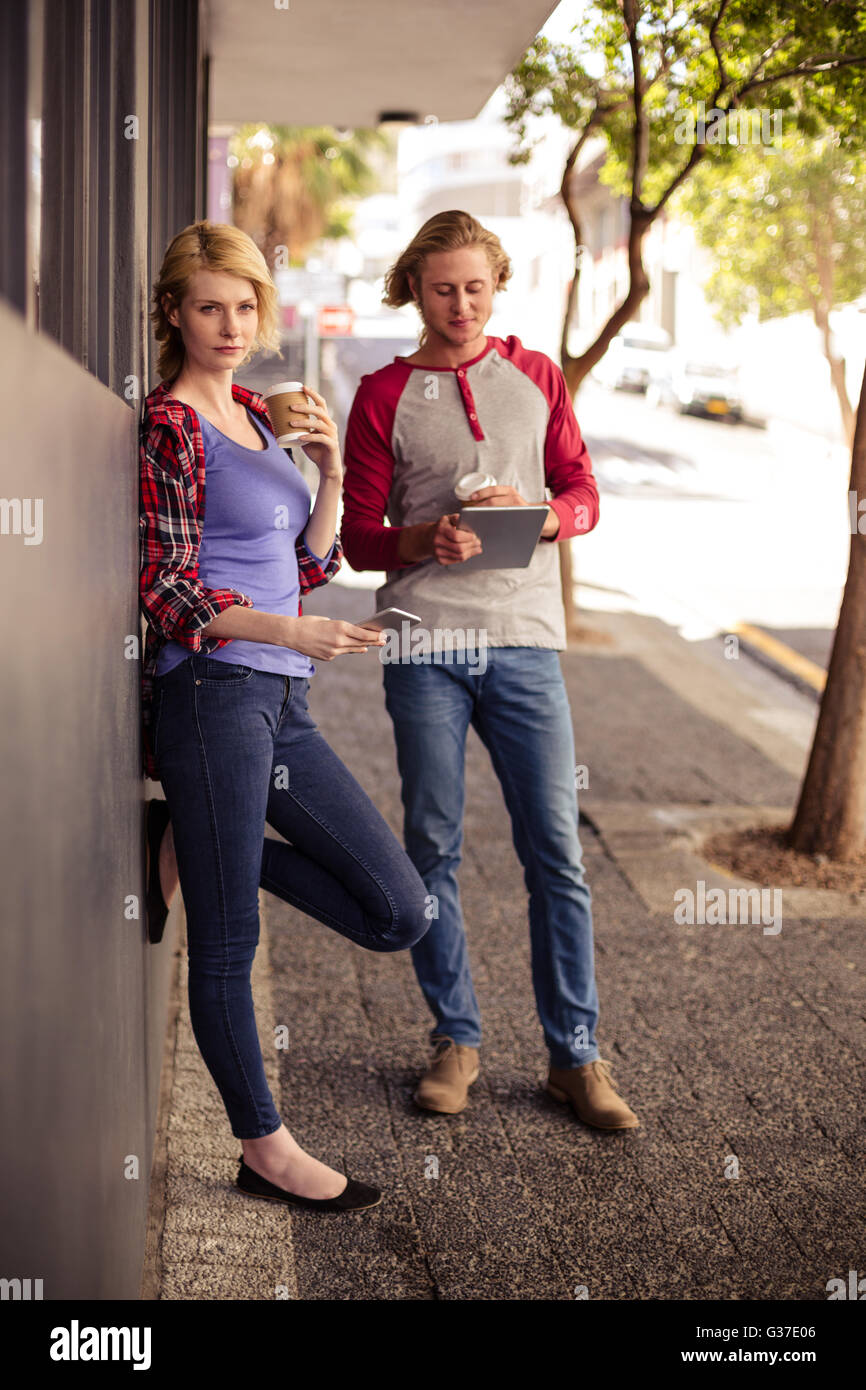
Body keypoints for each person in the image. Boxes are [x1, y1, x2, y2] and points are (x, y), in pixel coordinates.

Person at [139, 219, 432, 1213]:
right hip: (214, 690)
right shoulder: (169, 426)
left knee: (397, 909)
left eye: (244, 305)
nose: (229, 324)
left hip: (283, 699)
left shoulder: (259, 416)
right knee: (226, 945)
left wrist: (333, 473)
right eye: (208, 306)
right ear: (174, 311)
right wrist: (285, 633)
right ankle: (263, 1149)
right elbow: (166, 588)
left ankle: (195, 830)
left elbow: (307, 565)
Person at [340, 209, 639, 1131]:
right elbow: (356, 538)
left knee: (555, 851)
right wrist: (425, 536)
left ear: (496, 284)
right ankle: (455, 1040)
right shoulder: (383, 393)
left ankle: (575, 1056)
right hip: (427, 642)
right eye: (442, 288)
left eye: (475, 286)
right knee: (432, 847)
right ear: (414, 289)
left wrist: (545, 517)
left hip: (524, 641)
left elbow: (584, 492)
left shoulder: (537, 375)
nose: (461, 304)